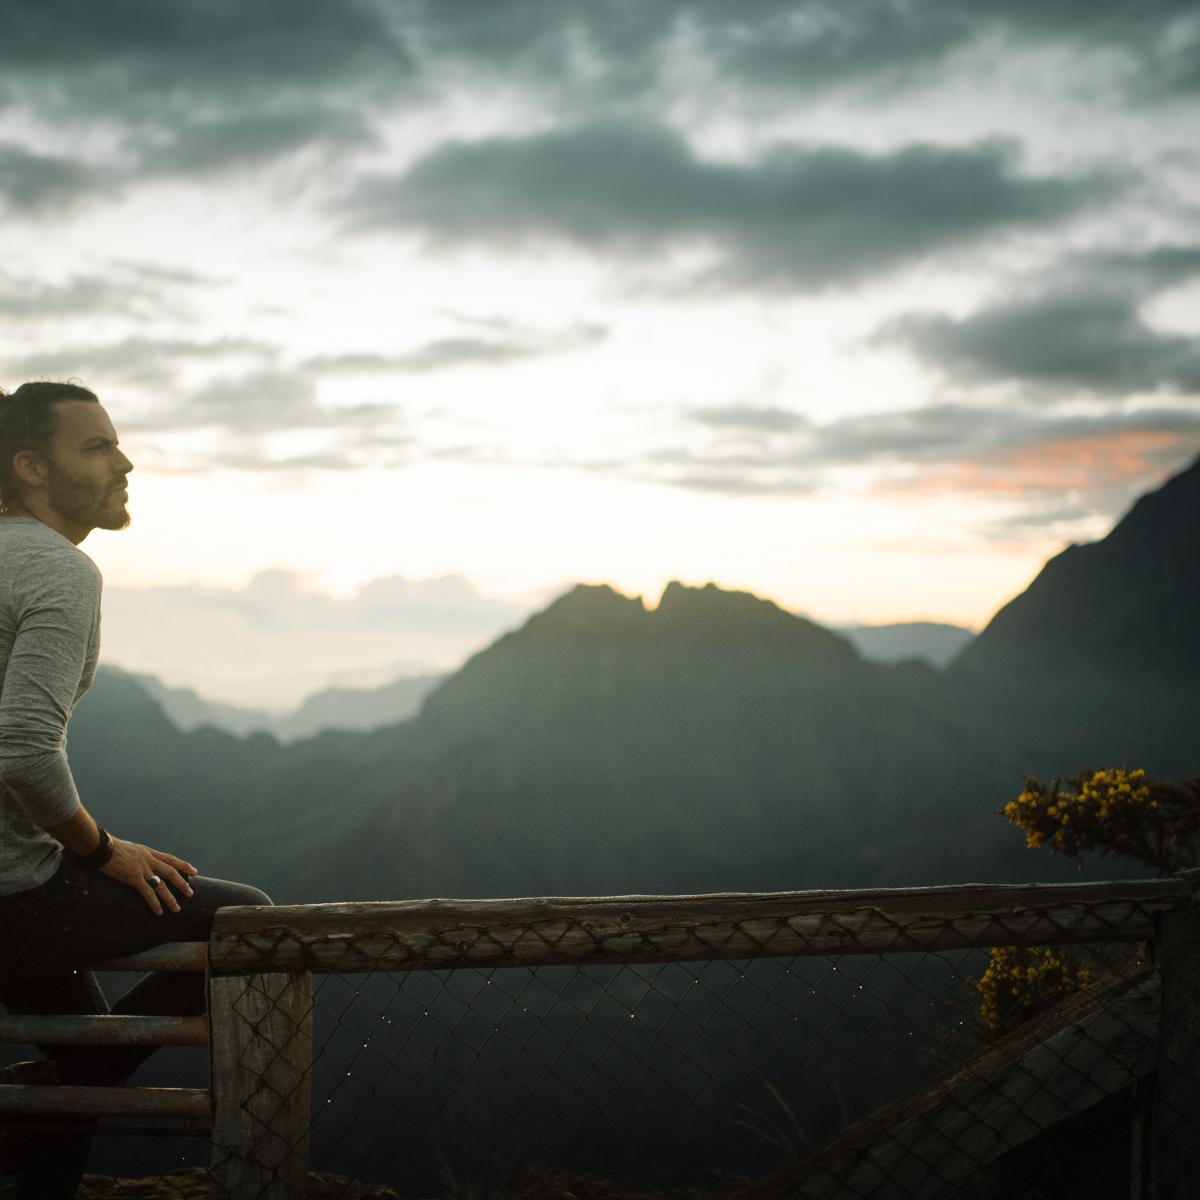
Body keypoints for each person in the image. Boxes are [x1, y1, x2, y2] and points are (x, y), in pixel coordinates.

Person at [0, 381, 272, 1199]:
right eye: (96, 447)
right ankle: (66, 1081)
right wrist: (104, 850)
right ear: (31, 469)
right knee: (245, 918)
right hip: (14, 893)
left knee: (76, 1078)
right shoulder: (58, 571)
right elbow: (19, 749)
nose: (124, 460)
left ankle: (61, 1089)